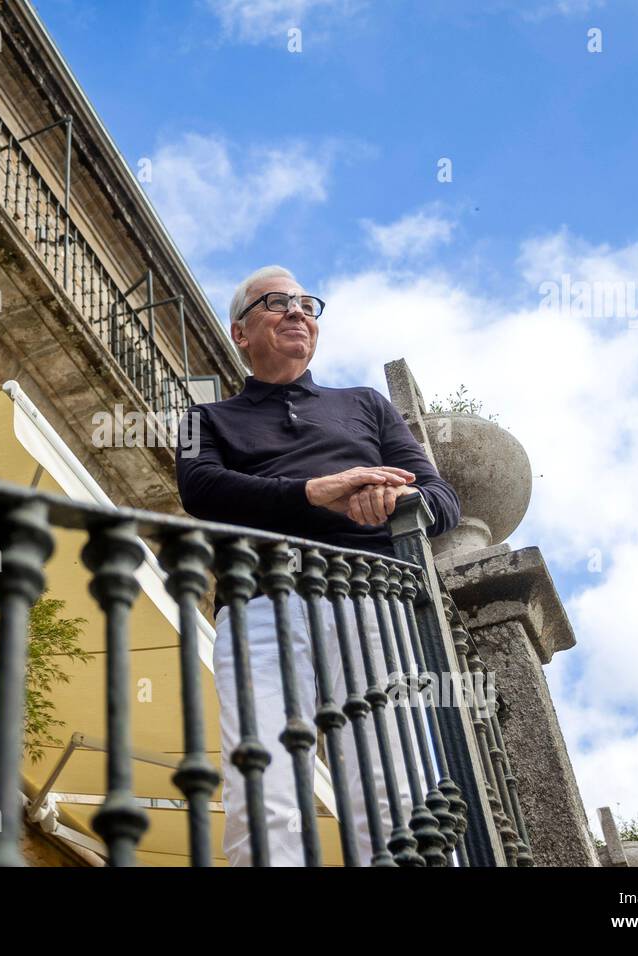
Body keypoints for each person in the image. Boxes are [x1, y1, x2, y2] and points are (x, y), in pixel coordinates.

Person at [175, 264, 460, 865]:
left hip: (372, 593)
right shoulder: (204, 420)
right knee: (264, 782)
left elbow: (442, 502)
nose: (298, 312)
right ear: (240, 333)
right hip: (260, 603)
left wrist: (393, 498)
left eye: (307, 303)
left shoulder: (367, 405)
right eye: (276, 302)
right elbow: (202, 491)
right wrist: (315, 491)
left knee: (395, 788)